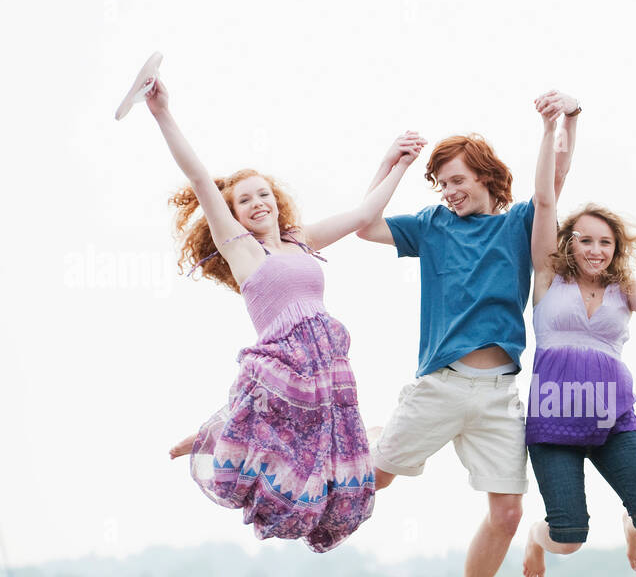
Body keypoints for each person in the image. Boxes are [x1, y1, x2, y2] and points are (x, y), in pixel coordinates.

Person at [142, 69, 426, 551]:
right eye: (244, 199)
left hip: (328, 362)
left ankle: (223, 431)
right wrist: (162, 111)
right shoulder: (241, 249)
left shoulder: (301, 242)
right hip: (286, 362)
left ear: (277, 202)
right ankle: (220, 435)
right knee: (288, 467)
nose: (257, 203)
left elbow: (361, 215)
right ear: (232, 214)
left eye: (263, 194)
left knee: (332, 463)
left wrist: (396, 162)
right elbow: (197, 177)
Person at [355, 91, 581, 577]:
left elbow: (554, 178)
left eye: (457, 180)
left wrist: (564, 121)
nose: (450, 192)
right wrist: (393, 165)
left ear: (485, 178)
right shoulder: (432, 226)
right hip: (440, 386)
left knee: (507, 514)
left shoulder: (517, 225)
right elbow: (365, 226)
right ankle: (375, 435)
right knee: (373, 483)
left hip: (501, 394)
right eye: (442, 184)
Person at [521, 109, 636, 577]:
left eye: (606, 243)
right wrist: (552, 129)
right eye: (586, 241)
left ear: (615, 250)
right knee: (569, 539)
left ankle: (630, 523)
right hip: (553, 421)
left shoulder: (623, 292)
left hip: (612, 417)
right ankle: (536, 536)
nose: (596, 250)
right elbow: (542, 201)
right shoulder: (549, 278)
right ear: (569, 244)